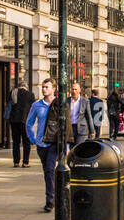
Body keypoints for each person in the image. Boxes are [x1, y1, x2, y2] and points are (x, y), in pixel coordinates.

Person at [26, 77, 61, 211]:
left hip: (54, 143)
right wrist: (32, 139)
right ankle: (52, 196)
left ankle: (50, 200)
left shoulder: (59, 104)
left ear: (53, 89)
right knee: (47, 172)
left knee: (50, 169)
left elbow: (65, 125)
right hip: (41, 144)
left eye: (47, 87)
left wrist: (67, 145)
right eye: (43, 87)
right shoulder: (36, 105)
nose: (44, 89)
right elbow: (29, 123)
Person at [8, 76, 35, 168]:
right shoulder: (30, 94)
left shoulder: (12, 92)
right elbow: (32, 108)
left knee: (16, 142)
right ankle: (25, 162)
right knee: (26, 142)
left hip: (14, 120)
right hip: (25, 121)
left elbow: (9, 104)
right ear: (26, 86)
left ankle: (16, 162)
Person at [69, 80, 95, 145]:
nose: (74, 91)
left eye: (76, 89)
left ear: (79, 90)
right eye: (72, 89)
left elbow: (89, 116)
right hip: (70, 128)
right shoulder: (67, 101)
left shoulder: (85, 101)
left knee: (79, 148)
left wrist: (92, 131)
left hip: (82, 129)